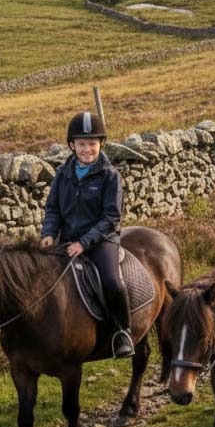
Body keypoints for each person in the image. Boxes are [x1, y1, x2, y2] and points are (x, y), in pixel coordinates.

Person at [41, 111, 132, 357]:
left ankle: (122, 331)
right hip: (67, 240)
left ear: (100, 144)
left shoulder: (110, 176)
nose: (87, 149)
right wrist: (49, 233)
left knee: (113, 282)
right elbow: (53, 209)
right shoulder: (62, 174)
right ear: (72, 145)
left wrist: (84, 243)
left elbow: (111, 217)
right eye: (82, 144)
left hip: (101, 241)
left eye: (92, 144)